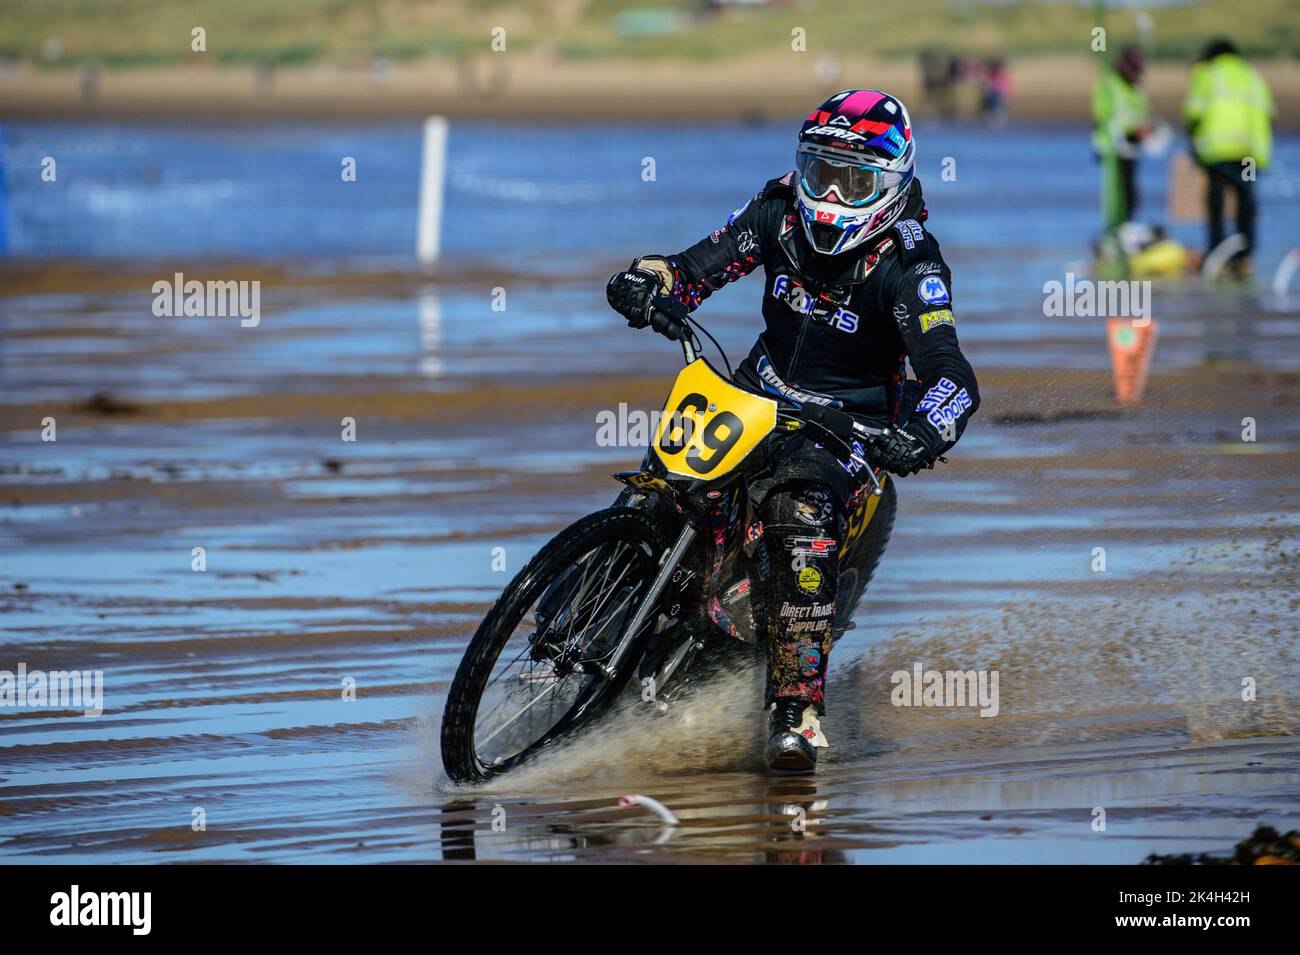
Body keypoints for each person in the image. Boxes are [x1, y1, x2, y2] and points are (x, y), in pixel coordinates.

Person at [605, 90, 980, 772]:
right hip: (751, 392)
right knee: (658, 482)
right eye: (821, 173)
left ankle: (795, 713)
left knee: (798, 518)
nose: (831, 195)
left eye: (854, 180)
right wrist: (644, 281)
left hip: (845, 434)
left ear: (890, 186)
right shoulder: (777, 209)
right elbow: (693, 269)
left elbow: (952, 374)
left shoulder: (912, 264)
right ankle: (576, 619)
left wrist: (924, 432)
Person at [1184, 38, 1274, 277]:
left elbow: (1194, 111)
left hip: (1218, 150)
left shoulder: (1208, 73)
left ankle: (1218, 254)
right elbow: (1268, 113)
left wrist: (1193, 142)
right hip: (1249, 152)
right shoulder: (1251, 75)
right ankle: (1244, 257)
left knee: (1216, 200)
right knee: (1246, 200)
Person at [1092, 45, 1152, 231]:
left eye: (1138, 68)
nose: (1136, 72)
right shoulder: (1109, 85)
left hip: (1131, 147)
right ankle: (1114, 230)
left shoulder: (1137, 89)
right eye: (1133, 67)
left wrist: (1144, 129)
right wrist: (1130, 128)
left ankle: (1126, 229)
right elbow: (1102, 114)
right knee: (1116, 193)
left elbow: (1141, 114)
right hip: (1110, 148)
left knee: (1130, 192)